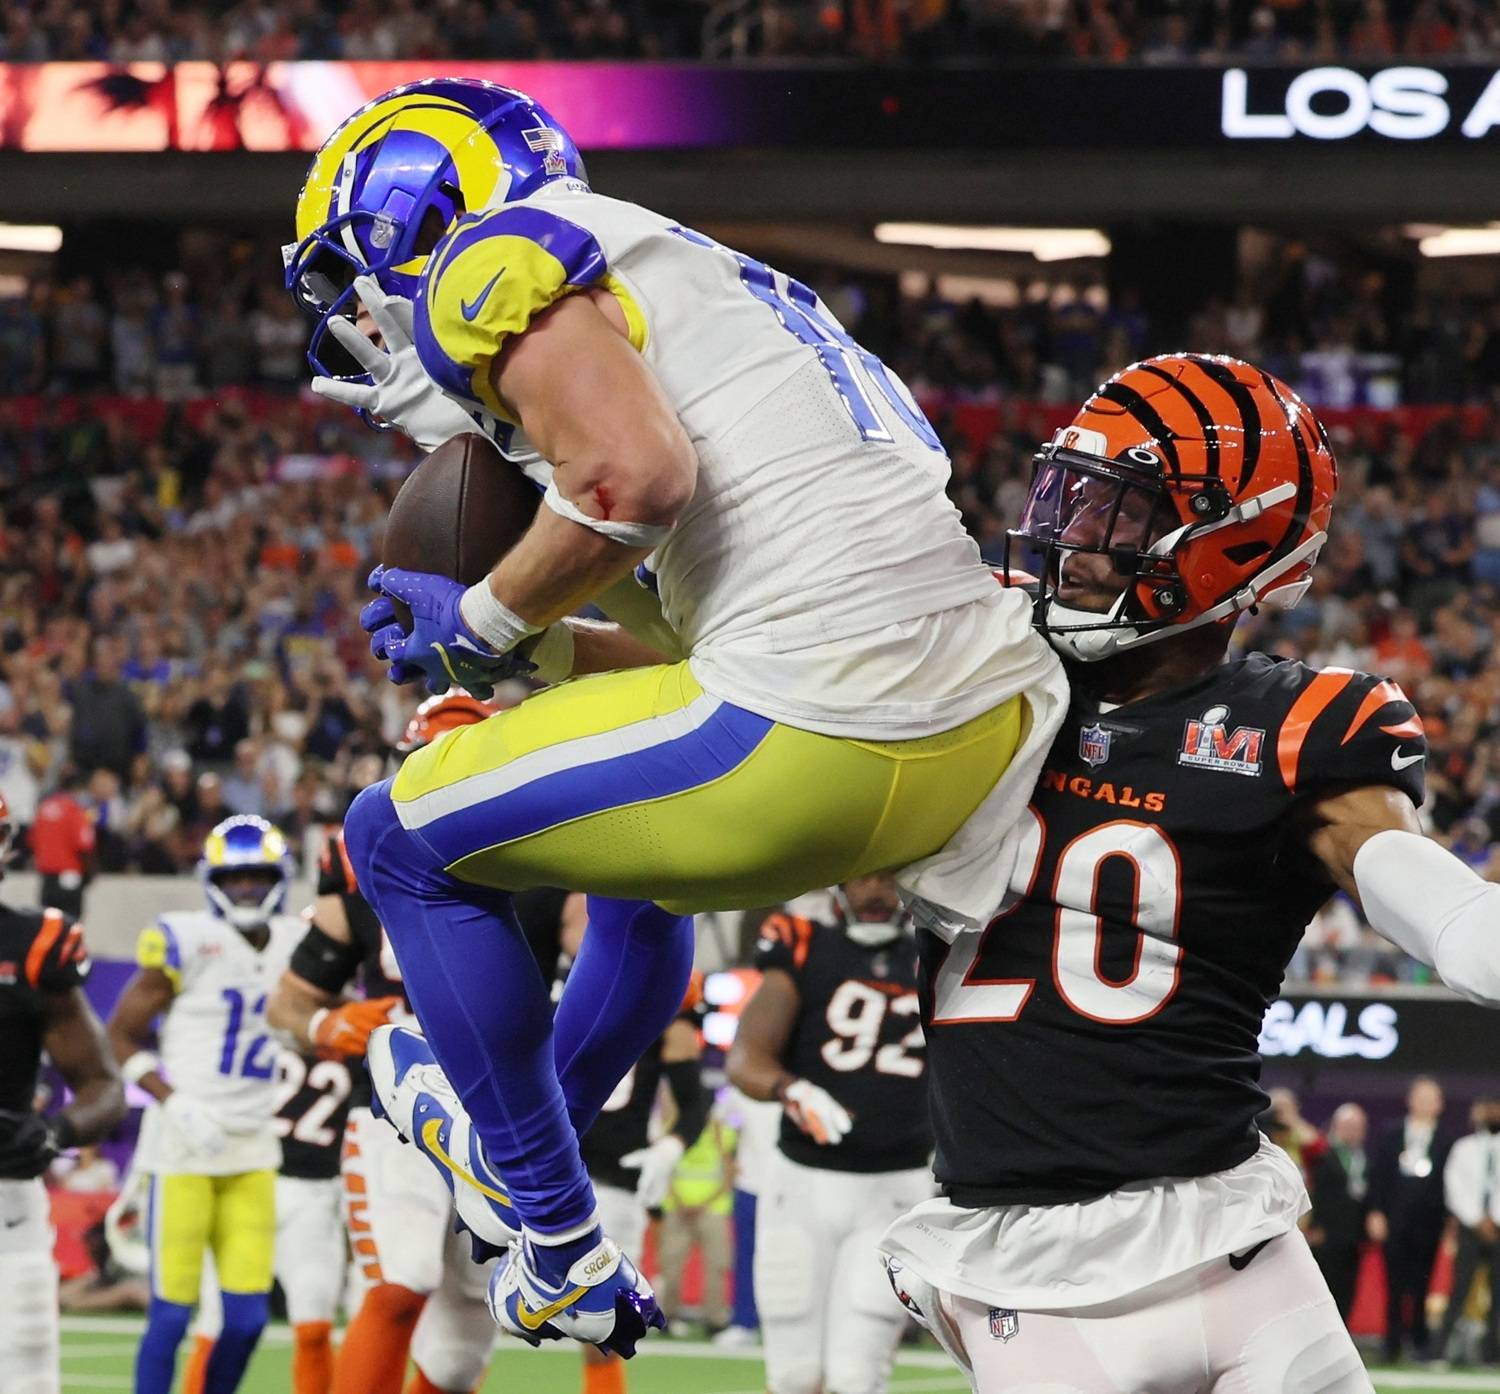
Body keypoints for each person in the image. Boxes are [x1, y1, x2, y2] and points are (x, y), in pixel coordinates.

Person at [288, 77, 1064, 1355]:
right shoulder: (705, 290)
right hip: (966, 732)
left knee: (394, 839)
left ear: (401, 221)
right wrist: (524, 630)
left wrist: (478, 620)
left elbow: (633, 477)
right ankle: (526, 1166)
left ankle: (550, 1223)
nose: (348, 322)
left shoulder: (498, 257)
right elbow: (682, 623)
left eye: (341, 274)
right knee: (636, 877)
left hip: (819, 723)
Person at [879, 353, 1500, 1393]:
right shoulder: (979, 658)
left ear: (1229, 541)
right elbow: (749, 685)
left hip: (1236, 1236)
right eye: (1068, 496)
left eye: (1118, 512)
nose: (1073, 536)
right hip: (1027, 1254)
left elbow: (1404, 872)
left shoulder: (1302, 724)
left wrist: (1476, 930)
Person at [266, 693, 536, 1394]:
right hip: (396, 1100)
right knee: (399, 1281)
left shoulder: (547, 867)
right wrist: (329, 1025)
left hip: (499, 1110)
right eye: (427, 767)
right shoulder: (361, 867)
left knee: (456, 1356)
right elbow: (290, 1002)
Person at [107, 816, 305, 1394]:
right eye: (234, 877)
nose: (245, 889)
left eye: (257, 877)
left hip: (253, 1149)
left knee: (245, 1322)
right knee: (170, 1314)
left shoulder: (297, 942)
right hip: (185, 1151)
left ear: (279, 878)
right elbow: (118, 1036)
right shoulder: (184, 936)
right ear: (212, 879)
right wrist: (174, 1100)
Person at [728, 875, 931, 1394]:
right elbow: (747, 1059)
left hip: (896, 1188)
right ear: (839, 885)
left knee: (857, 1375)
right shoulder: (801, 943)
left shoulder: (940, 951)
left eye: (888, 878)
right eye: (864, 877)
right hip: (802, 1184)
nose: (875, 892)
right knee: (794, 1374)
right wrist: (791, 1089)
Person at [0, 792, 127, 1394]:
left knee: (26, 1378)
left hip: (7, 1197)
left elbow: (103, 1086)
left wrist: (54, 1133)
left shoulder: (33, 944)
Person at [557, 896, 709, 1394]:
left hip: (611, 1179)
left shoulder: (658, 992)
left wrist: (670, 1147)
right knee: (469, 1324)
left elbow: (693, 1101)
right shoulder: (529, 975)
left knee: (602, 1321)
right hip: (527, 1169)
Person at [181, 1047, 356, 1394]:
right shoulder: (256, 1025)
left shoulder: (354, 1032)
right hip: (245, 1182)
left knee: (314, 1324)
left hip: (315, 1195)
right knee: (217, 1323)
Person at [1368, 1076, 1452, 1363]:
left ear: (1439, 1105)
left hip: (1429, 1225)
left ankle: (1419, 1343)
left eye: (1432, 1098)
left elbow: (1450, 1185)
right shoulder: (1391, 1134)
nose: (1426, 1103)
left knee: (1422, 1286)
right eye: (1421, 1097)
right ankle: (1391, 1345)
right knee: (1393, 1285)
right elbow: (1377, 1176)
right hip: (1394, 1222)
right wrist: (1376, 1212)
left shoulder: (1447, 1140)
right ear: (1410, 1100)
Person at [1437, 1096, 1500, 1365]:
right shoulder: (1464, 1148)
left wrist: (1495, 1219)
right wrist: (1477, 1220)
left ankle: (1492, 1354)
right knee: (1459, 1289)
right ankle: (1439, 1351)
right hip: (1469, 1229)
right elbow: (1454, 1189)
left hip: (1498, 1228)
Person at [1306, 1103, 1370, 1320]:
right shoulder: (1322, 1155)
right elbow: (1314, 1193)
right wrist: (1314, 1225)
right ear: (1335, 1126)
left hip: (1353, 1238)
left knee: (1346, 1290)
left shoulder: (1363, 1159)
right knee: (1322, 1290)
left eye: (1358, 1127)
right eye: (1348, 1126)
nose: (1353, 1131)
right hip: (1326, 1235)